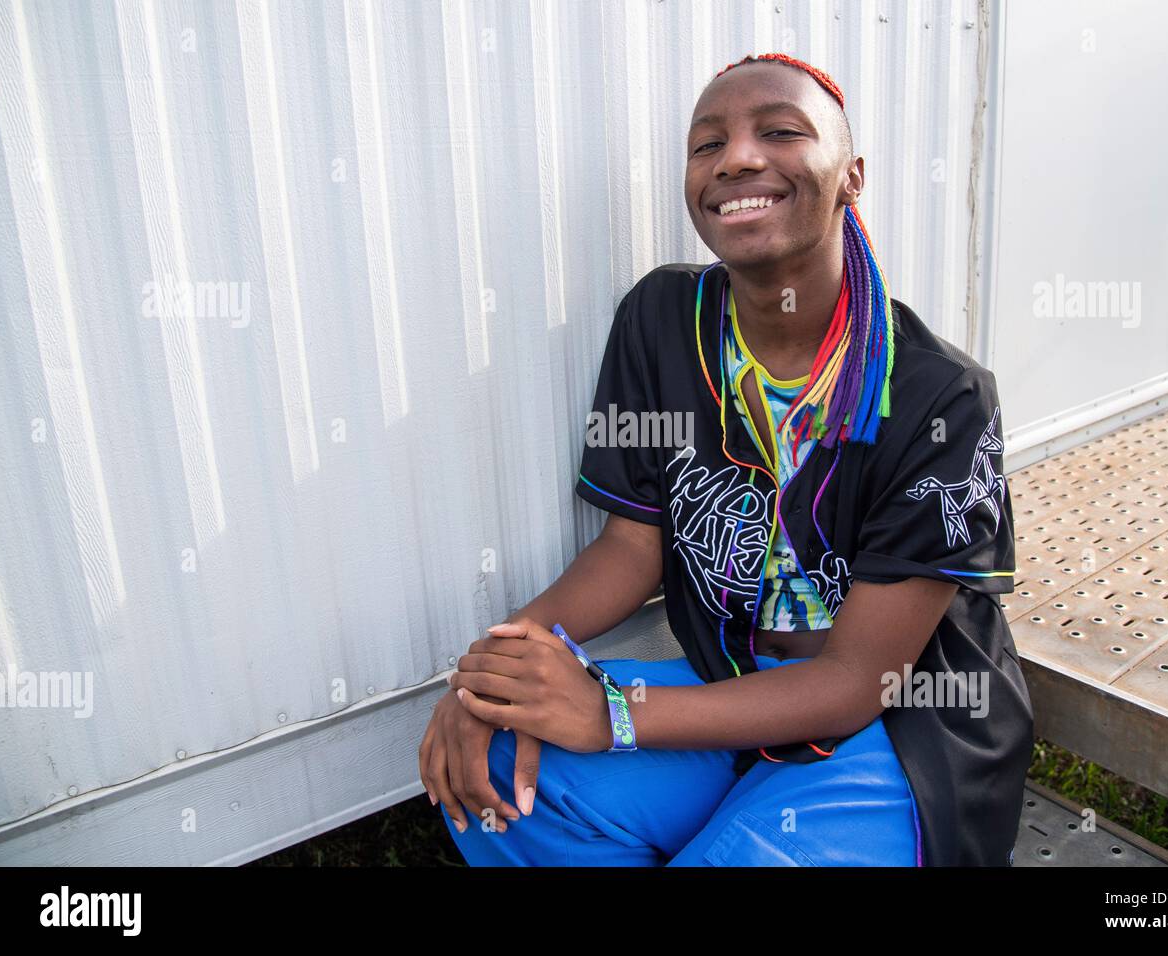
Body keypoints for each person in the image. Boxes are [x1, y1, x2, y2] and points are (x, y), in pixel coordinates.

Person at [418, 53, 1034, 866]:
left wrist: (616, 716)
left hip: (897, 725)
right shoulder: (662, 320)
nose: (736, 157)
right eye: (707, 144)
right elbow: (632, 548)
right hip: (731, 688)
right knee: (501, 761)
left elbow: (857, 682)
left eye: (779, 131)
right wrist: (496, 667)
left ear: (851, 176)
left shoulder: (939, 394)